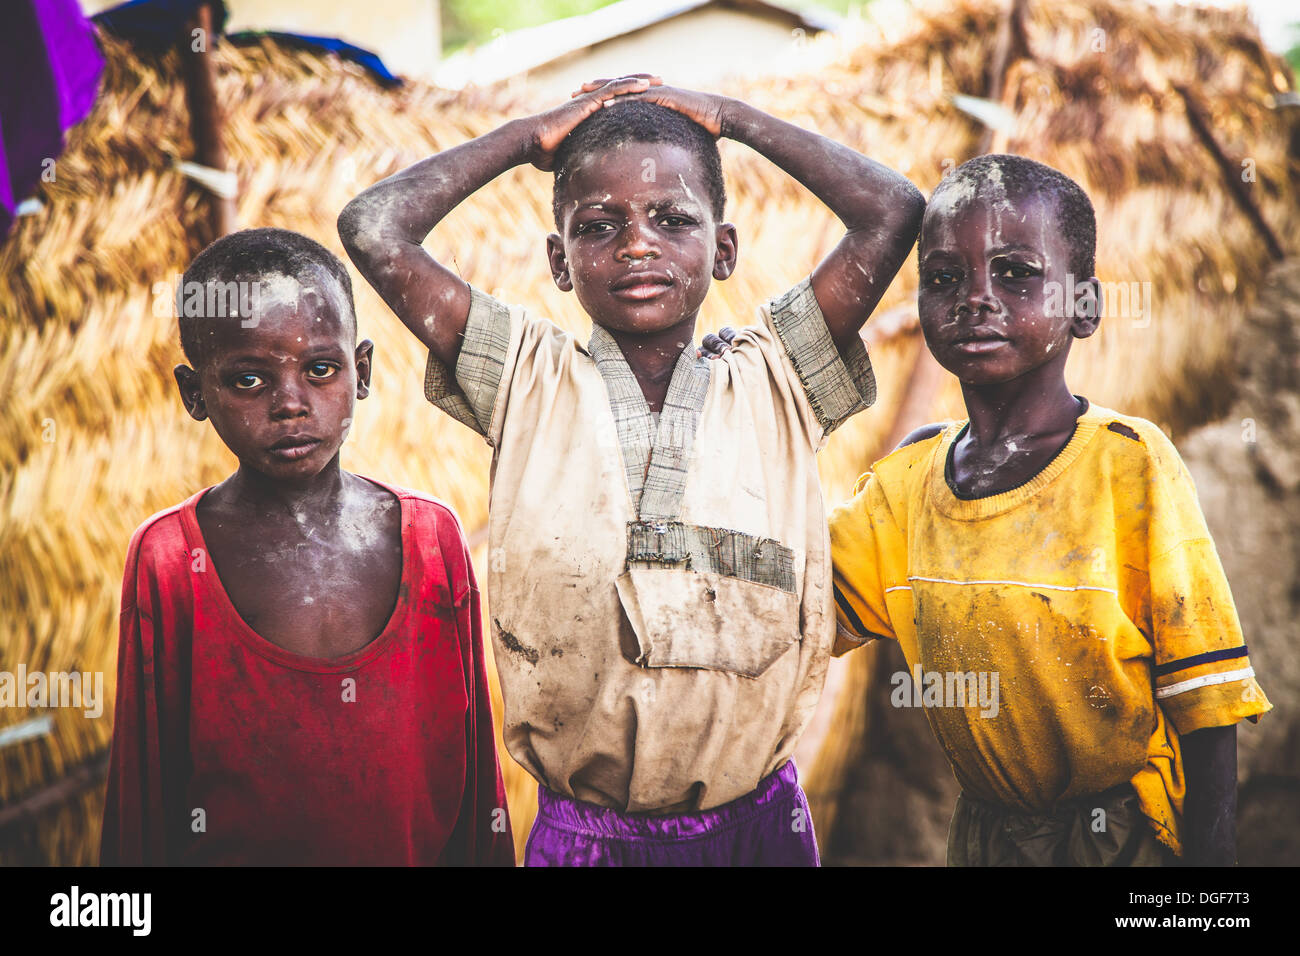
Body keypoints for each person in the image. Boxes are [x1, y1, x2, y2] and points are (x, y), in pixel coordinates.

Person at [338, 76, 924, 865]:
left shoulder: (780, 375)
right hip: (589, 839)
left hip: (758, 832)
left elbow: (894, 211)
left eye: (674, 220)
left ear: (724, 251)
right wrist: (525, 140)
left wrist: (736, 117)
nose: (637, 244)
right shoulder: (521, 376)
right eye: (599, 225)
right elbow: (374, 228)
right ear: (559, 259)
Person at [824, 154, 1271, 865]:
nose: (975, 298)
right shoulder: (909, 484)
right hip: (986, 838)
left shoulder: (1128, 464)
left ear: (1085, 306)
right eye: (943, 279)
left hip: (1121, 839)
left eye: (1016, 274)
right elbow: (798, 613)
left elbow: (1208, 703)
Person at [101, 228, 514, 866]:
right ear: (194, 394)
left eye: (321, 370)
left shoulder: (432, 538)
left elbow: (476, 776)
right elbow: (142, 800)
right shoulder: (169, 560)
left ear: (363, 371)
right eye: (247, 380)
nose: (290, 404)